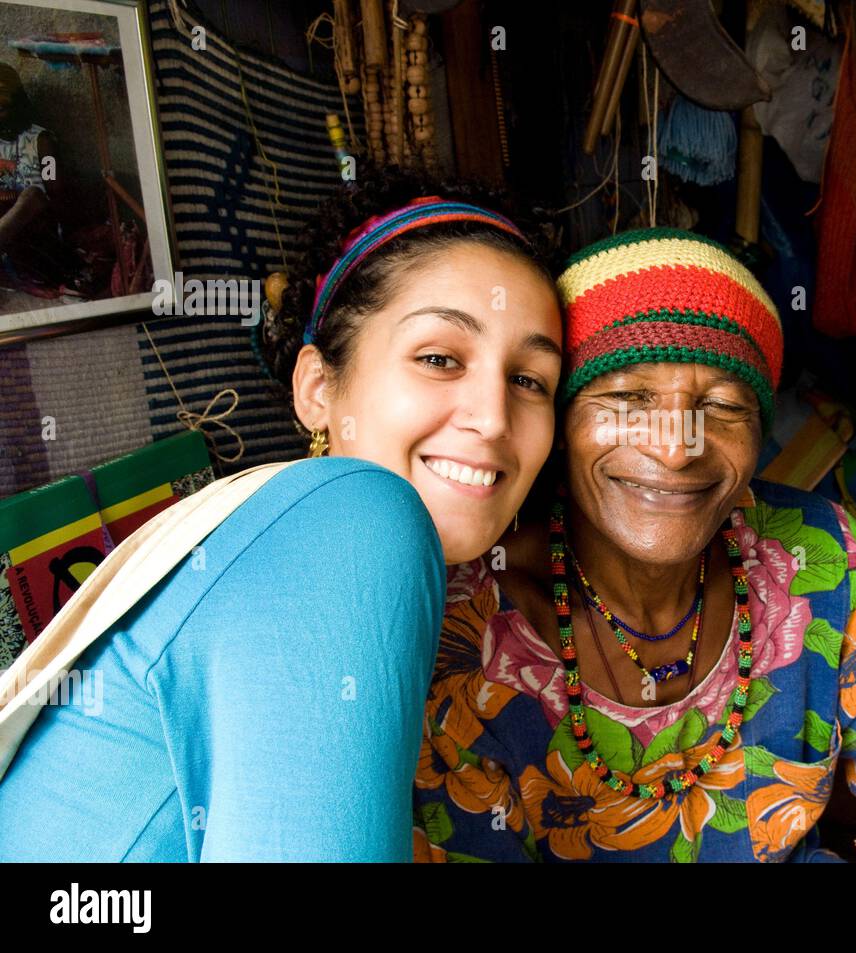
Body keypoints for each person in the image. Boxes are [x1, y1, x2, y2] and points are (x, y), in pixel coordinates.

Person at [412, 228, 856, 863]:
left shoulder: (818, 554)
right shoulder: (469, 631)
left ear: (759, 434)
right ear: (561, 424)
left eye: (723, 405)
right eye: (626, 398)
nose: (674, 447)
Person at [0, 167, 563, 861]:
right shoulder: (353, 519)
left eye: (530, 379)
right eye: (441, 357)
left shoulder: (285, 539)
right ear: (317, 388)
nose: (494, 417)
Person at [0, 62, 67, 294]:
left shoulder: (41, 141)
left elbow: (55, 192)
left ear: (17, 104)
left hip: (35, 228)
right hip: (4, 220)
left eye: (2, 110)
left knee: (32, 195)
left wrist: (18, 198)